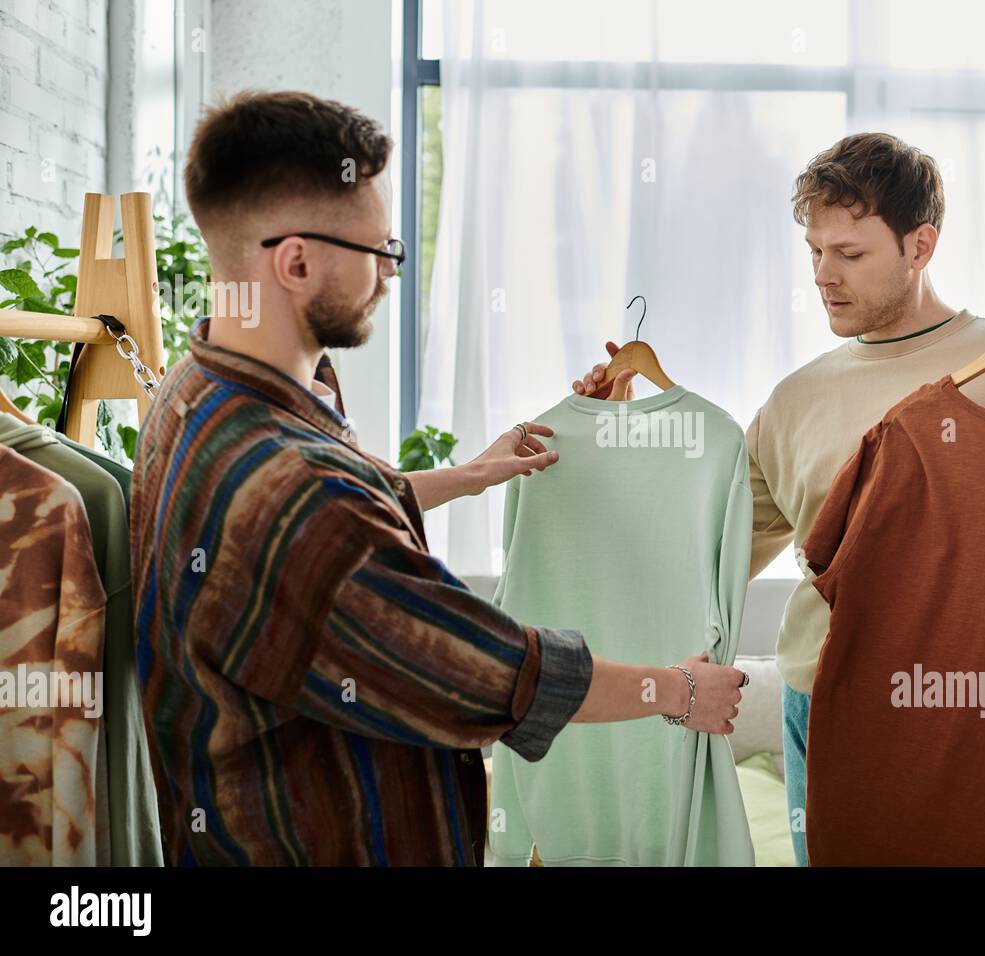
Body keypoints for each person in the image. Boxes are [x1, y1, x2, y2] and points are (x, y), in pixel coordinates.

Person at [130, 90, 745, 866]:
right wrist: (679, 692)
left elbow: (317, 538)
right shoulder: (297, 489)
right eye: (379, 250)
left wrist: (472, 475)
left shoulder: (192, 397)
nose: (389, 274)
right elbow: (491, 674)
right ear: (296, 261)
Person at [574, 131, 985, 866]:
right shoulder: (794, 402)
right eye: (814, 252)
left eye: (849, 254)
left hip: (981, 707)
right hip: (822, 704)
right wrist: (617, 435)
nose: (824, 274)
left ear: (921, 246)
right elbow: (694, 559)